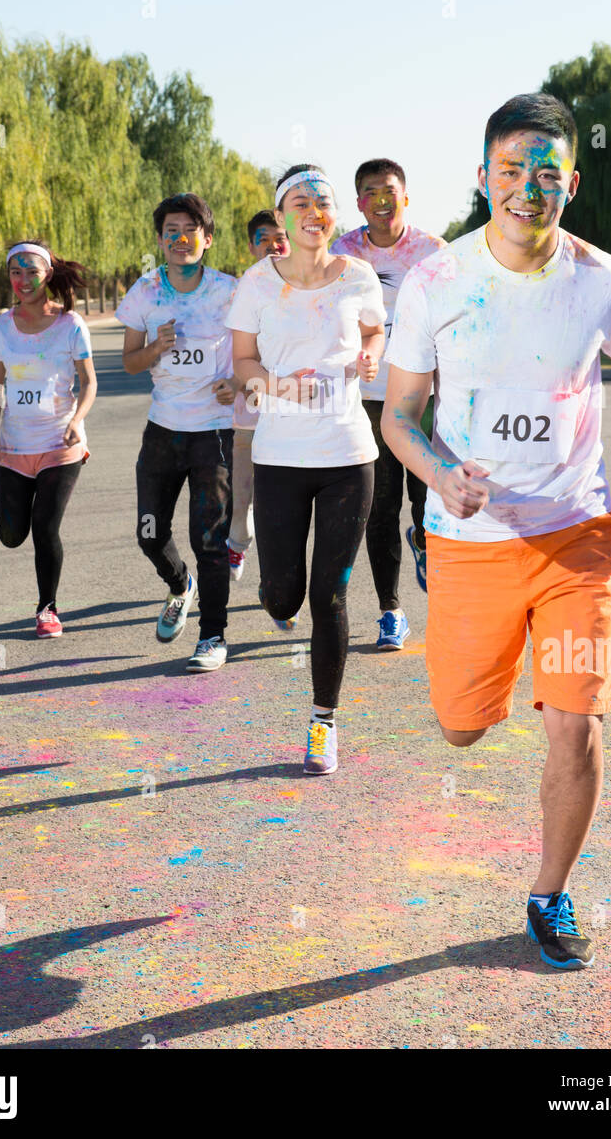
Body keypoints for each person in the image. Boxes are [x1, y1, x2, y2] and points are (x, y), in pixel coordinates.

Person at [383, 94, 611, 969]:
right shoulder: (436, 281)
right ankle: (493, 653)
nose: (527, 188)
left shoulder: (603, 281)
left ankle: (547, 892)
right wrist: (438, 476)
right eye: (510, 170)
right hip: (467, 540)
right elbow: (398, 415)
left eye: (546, 172)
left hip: (576, 535)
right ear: (482, 179)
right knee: (461, 727)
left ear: (570, 183)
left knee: (575, 721)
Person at [227, 165, 386, 774]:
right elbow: (242, 360)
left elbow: (373, 332)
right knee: (282, 594)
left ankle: (324, 721)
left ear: (334, 215)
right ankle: (272, 593)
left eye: (322, 202)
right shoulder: (258, 284)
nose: (313, 211)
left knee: (330, 593)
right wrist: (273, 386)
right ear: (282, 217)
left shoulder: (359, 277)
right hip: (279, 459)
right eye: (300, 202)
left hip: (348, 455)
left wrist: (370, 357)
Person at [118, 193, 236, 673]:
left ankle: (213, 636)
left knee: (209, 537)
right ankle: (179, 584)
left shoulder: (231, 291)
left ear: (206, 239)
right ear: (161, 239)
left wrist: (239, 382)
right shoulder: (144, 291)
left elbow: (259, 348)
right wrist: (154, 348)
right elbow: (129, 362)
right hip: (163, 431)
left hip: (214, 432)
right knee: (149, 533)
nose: (180, 238)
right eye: (170, 230)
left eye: (190, 229)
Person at [332, 159, 444, 651]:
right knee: (379, 508)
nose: (381, 199)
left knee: (429, 500)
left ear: (405, 196)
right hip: (368, 401)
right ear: (359, 203)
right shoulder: (342, 253)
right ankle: (390, 610)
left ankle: (423, 538)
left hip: (422, 397)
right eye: (371, 192)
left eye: (390, 190)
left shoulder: (433, 252)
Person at [0, 240, 97, 637]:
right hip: (14, 446)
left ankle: (47, 608)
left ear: (48, 274)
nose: (24, 279)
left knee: (46, 527)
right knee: (13, 535)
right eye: (16, 271)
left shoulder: (70, 324)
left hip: (60, 445)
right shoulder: (1, 326)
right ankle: (13, 523)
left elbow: (89, 382)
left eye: (32, 270)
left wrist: (77, 421)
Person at [227, 210, 301, 633]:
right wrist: (230, 381)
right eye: (264, 238)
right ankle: (237, 541)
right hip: (250, 417)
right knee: (243, 498)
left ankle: (276, 591)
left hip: (294, 420)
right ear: (252, 245)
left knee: (280, 514)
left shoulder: (312, 286)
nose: (274, 244)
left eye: (281, 237)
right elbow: (233, 353)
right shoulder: (246, 288)